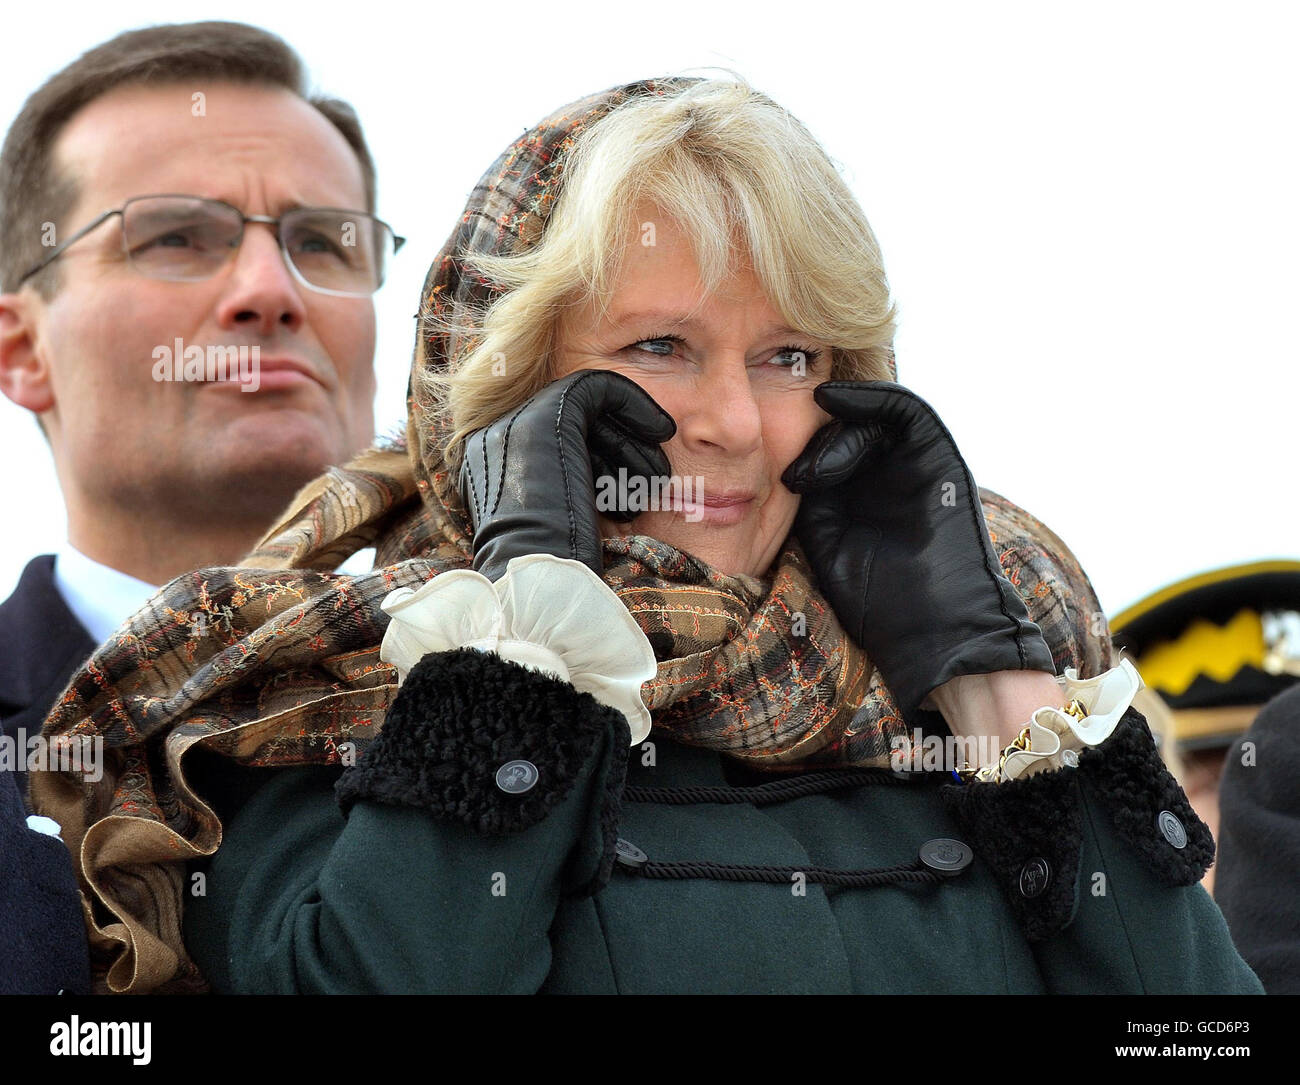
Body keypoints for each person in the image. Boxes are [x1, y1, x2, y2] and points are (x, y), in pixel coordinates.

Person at [35, 77, 1258, 994]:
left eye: (789, 355)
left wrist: (991, 685)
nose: (733, 420)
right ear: (509, 382)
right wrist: (529, 637)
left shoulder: (971, 717)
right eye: (658, 346)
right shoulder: (309, 699)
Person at [0, 21, 397, 995]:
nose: (271, 290)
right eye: (177, 235)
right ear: (22, 349)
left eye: (321, 241)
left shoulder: (554, 715)